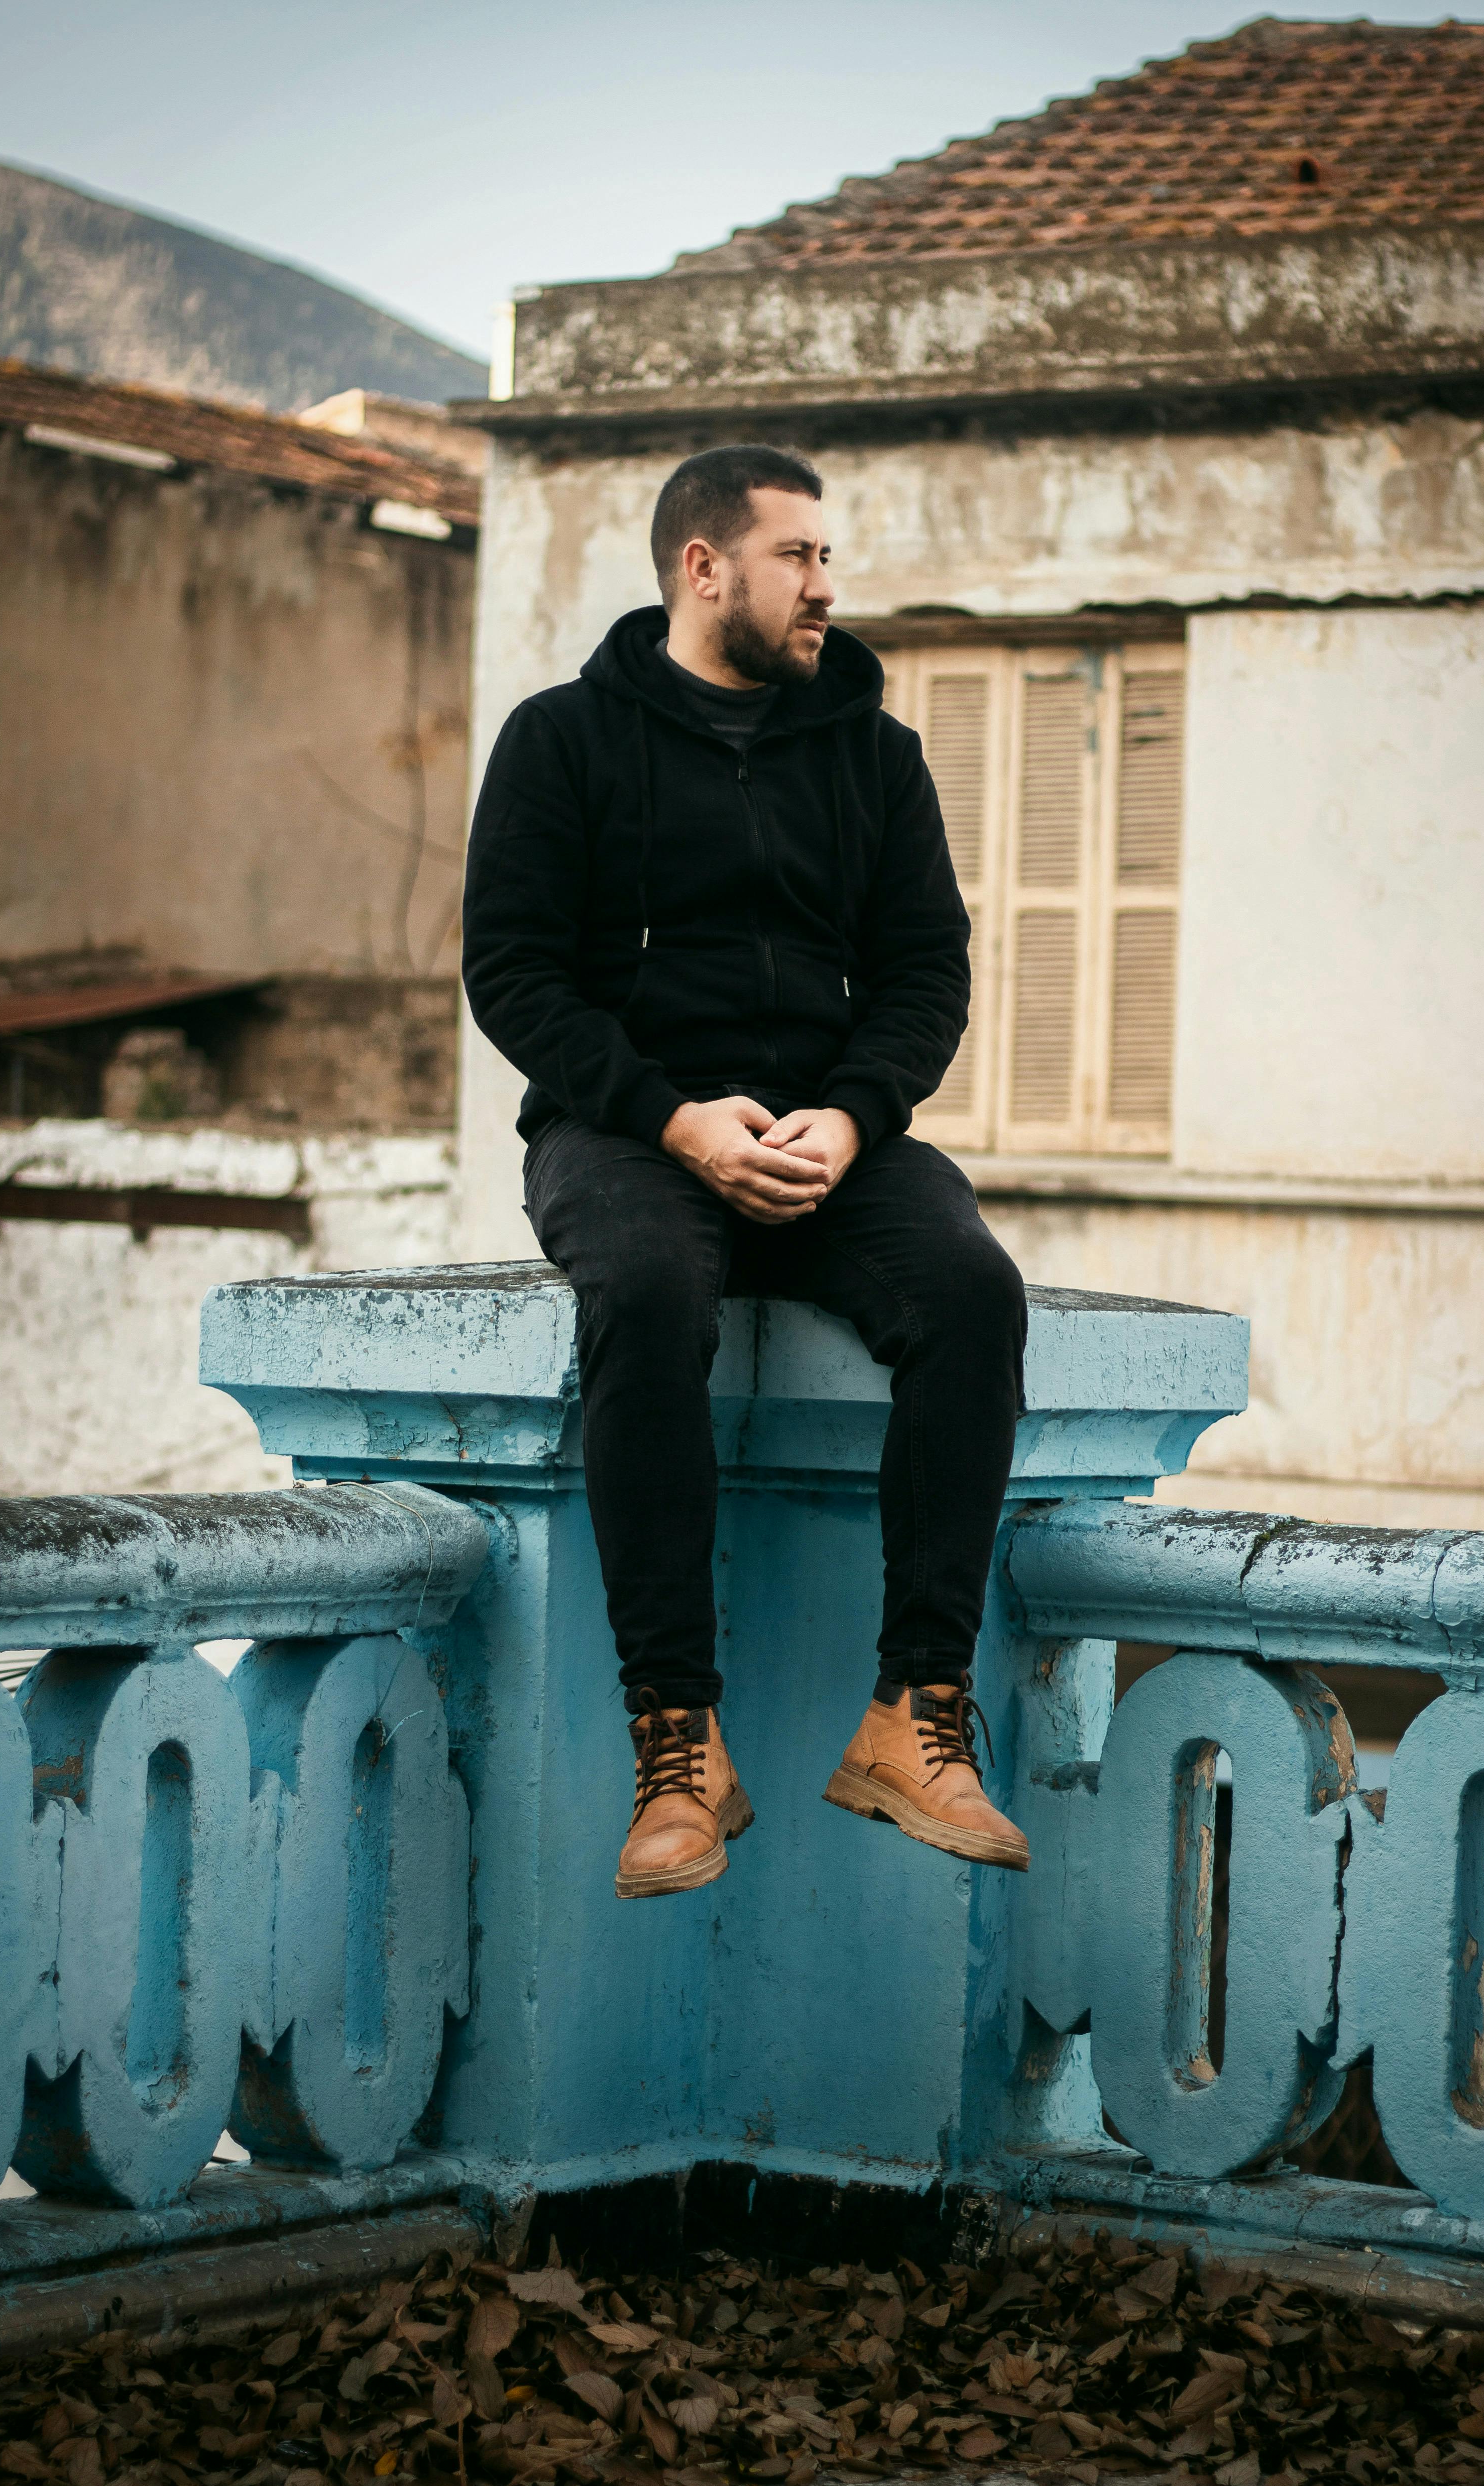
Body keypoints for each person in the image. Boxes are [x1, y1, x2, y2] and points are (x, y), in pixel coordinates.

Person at [463, 445, 1030, 1900]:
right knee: (648, 1294)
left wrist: (849, 1118)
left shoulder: (874, 754)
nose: (828, 587)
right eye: (800, 557)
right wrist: (673, 1120)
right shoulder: (562, 741)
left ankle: (915, 1718)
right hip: (629, 1134)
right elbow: (515, 977)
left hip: (826, 1134)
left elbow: (926, 975)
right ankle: (679, 1748)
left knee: (972, 1291)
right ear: (703, 568)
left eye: (831, 558)